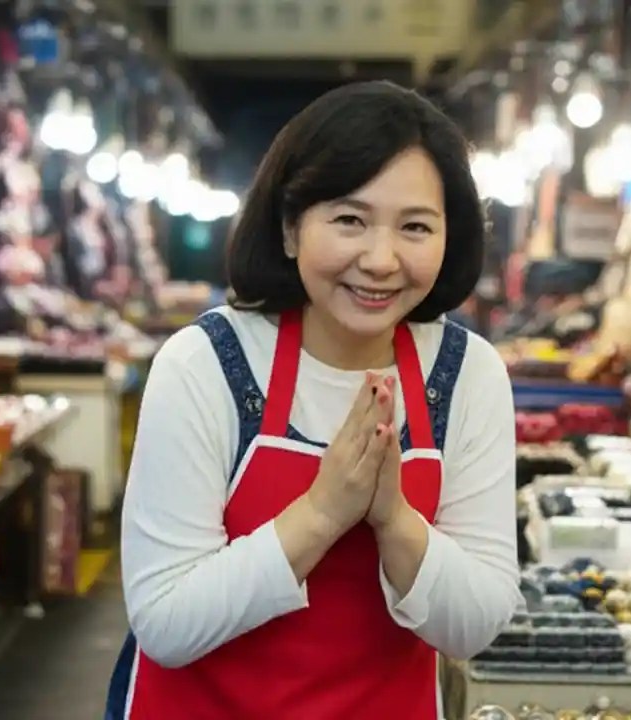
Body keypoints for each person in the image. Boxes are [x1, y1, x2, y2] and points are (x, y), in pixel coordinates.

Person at [105, 80, 521, 720]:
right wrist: (324, 512)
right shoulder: (205, 366)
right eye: (349, 220)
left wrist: (394, 520)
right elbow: (165, 619)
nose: (380, 259)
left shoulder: (467, 377)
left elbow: (477, 625)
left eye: (415, 227)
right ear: (291, 228)